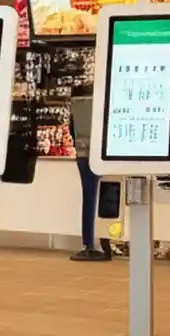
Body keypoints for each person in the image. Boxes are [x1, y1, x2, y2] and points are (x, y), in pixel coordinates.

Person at [69, 103, 110, 262]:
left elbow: (72, 129)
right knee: (98, 198)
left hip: (83, 155)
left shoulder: (77, 106)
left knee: (90, 197)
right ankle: (96, 242)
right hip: (98, 155)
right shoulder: (101, 104)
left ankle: (90, 243)